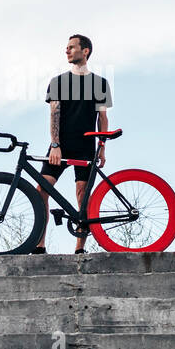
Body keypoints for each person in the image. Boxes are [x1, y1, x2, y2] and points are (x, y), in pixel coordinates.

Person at [32, 34, 112, 254]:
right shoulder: (58, 81)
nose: (66, 51)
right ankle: (39, 246)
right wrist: (55, 144)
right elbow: (54, 114)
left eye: (71, 47)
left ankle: (79, 249)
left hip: (86, 146)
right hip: (61, 145)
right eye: (66, 47)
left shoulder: (100, 83)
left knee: (82, 196)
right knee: (41, 191)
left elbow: (102, 119)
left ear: (85, 51)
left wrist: (102, 147)